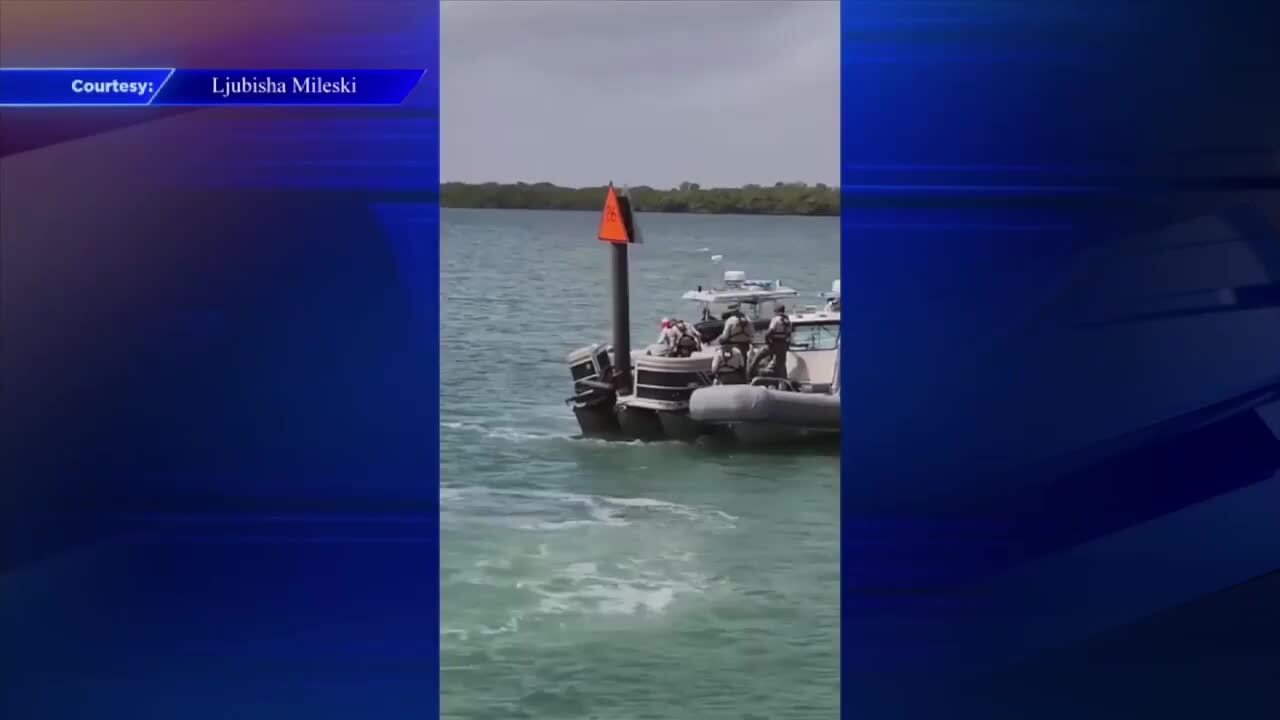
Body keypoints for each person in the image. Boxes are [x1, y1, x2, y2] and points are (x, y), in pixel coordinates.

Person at [763, 304, 793, 379]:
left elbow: (770, 332)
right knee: (782, 363)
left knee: (763, 357)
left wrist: (767, 342)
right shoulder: (787, 320)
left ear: (776, 311)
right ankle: (783, 379)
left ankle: (765, 375)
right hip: (783, 343)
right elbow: (789, 333)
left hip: (775, 343)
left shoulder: (776, 319)